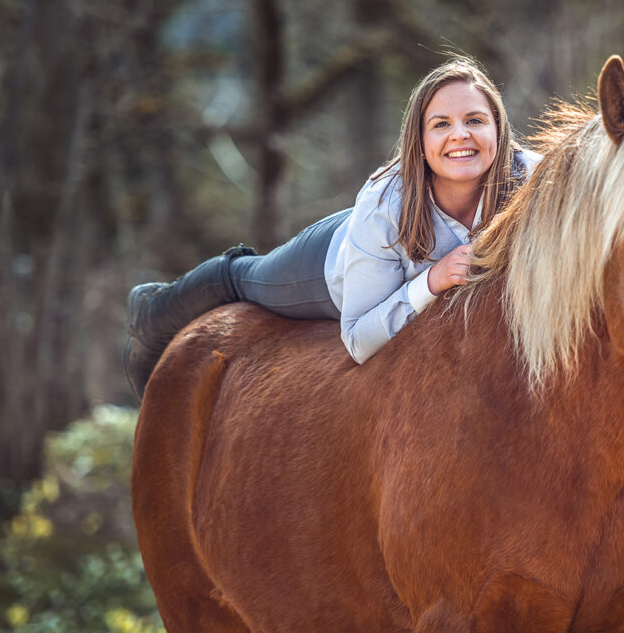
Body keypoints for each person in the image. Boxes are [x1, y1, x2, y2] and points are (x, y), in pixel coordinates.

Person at [124, 56, 541, 399]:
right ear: (419, 139)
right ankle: (151, 312)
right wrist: (432, 280)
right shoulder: (384, 204)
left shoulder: (533, 181)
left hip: (373, 237)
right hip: (333, 262)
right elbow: (358, 340)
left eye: (475, 120)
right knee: (245, 277)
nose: (460, 135)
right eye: (441, 124)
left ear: (499, 128)